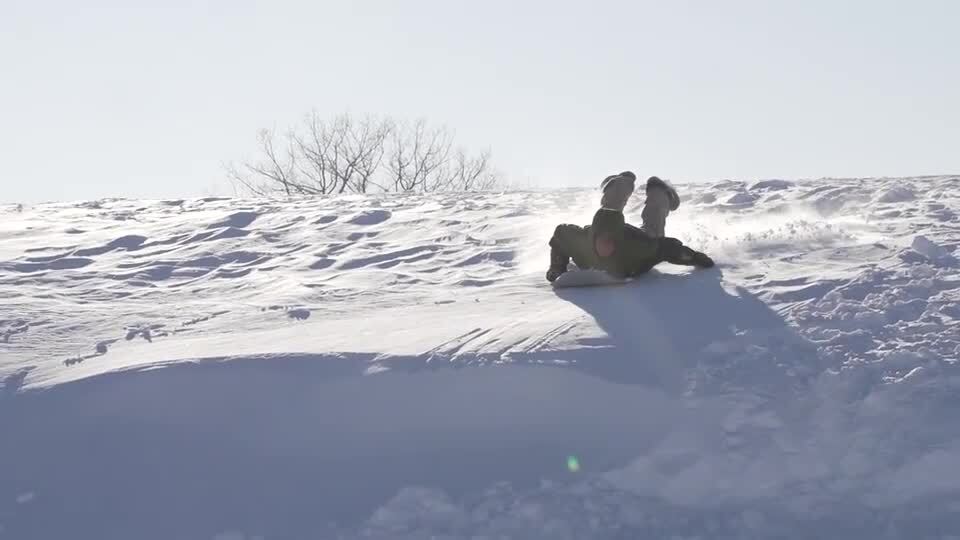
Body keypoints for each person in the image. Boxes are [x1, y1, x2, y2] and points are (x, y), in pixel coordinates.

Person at [546, 171, 714, 282]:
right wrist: (557, 267)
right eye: (601, 240)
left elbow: (666, 248)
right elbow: (561, 235)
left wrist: (695, 257)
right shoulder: (583, 244)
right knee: (609, 211)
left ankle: (661, 193)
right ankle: (620, 184)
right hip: (609, 231)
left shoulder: (637, 246)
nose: (605, 246)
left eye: (609, 241)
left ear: (617, 239)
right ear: (594, 238)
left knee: (653, 231)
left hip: (638, 245)